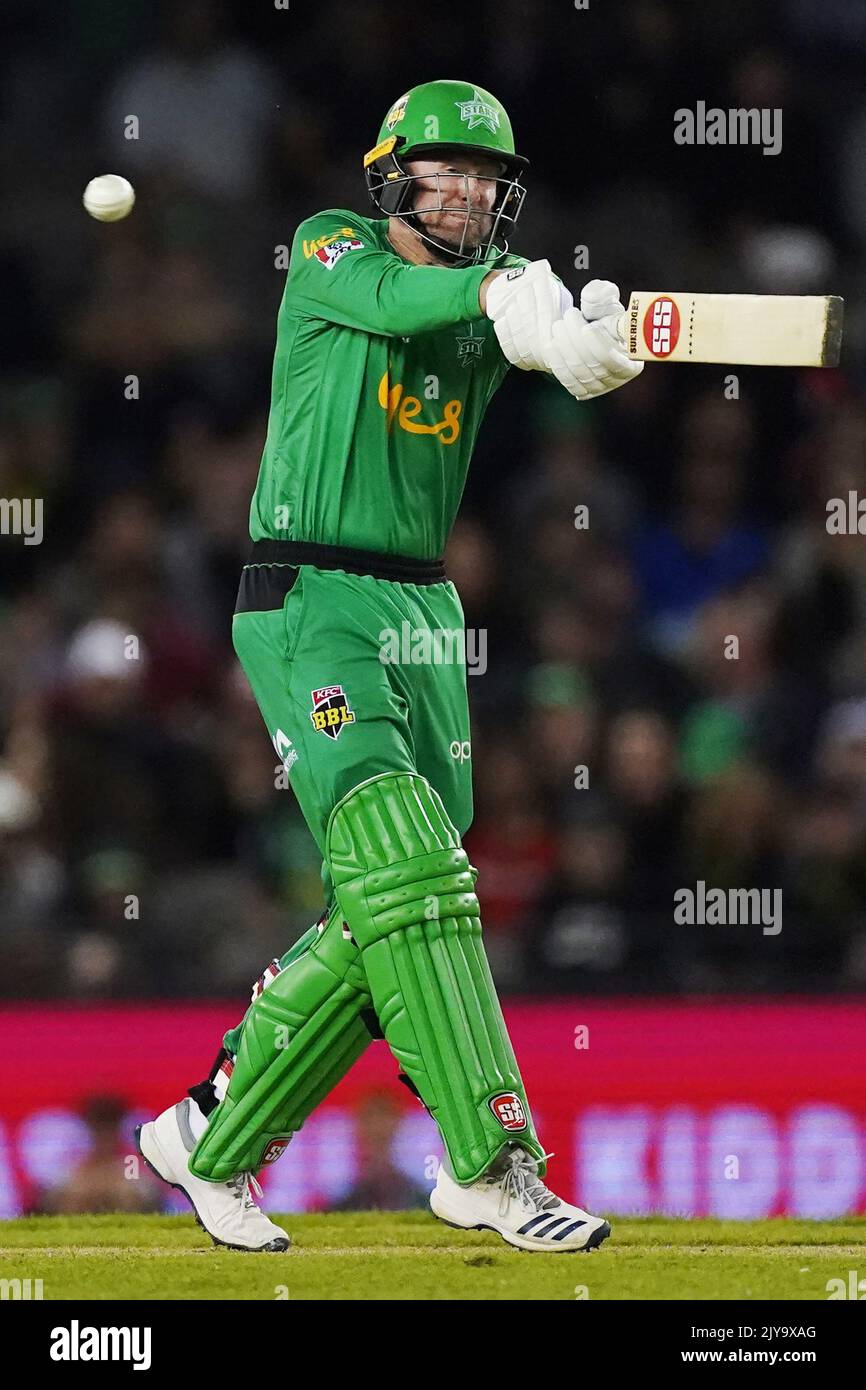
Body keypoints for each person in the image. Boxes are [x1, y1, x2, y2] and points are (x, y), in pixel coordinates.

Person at [137, 79, 642, 1253]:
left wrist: (592, 347)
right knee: (408, 870)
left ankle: (209, 1134)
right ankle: (491, 1160)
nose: (467, 192)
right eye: (445, 170)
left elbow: (526, 340)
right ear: (391, 176)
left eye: (487, 179)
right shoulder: (328, 246)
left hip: (422, 607)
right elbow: (396, 295)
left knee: (394, 904)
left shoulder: (480, 296)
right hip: (310, 593)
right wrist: (507, 291)